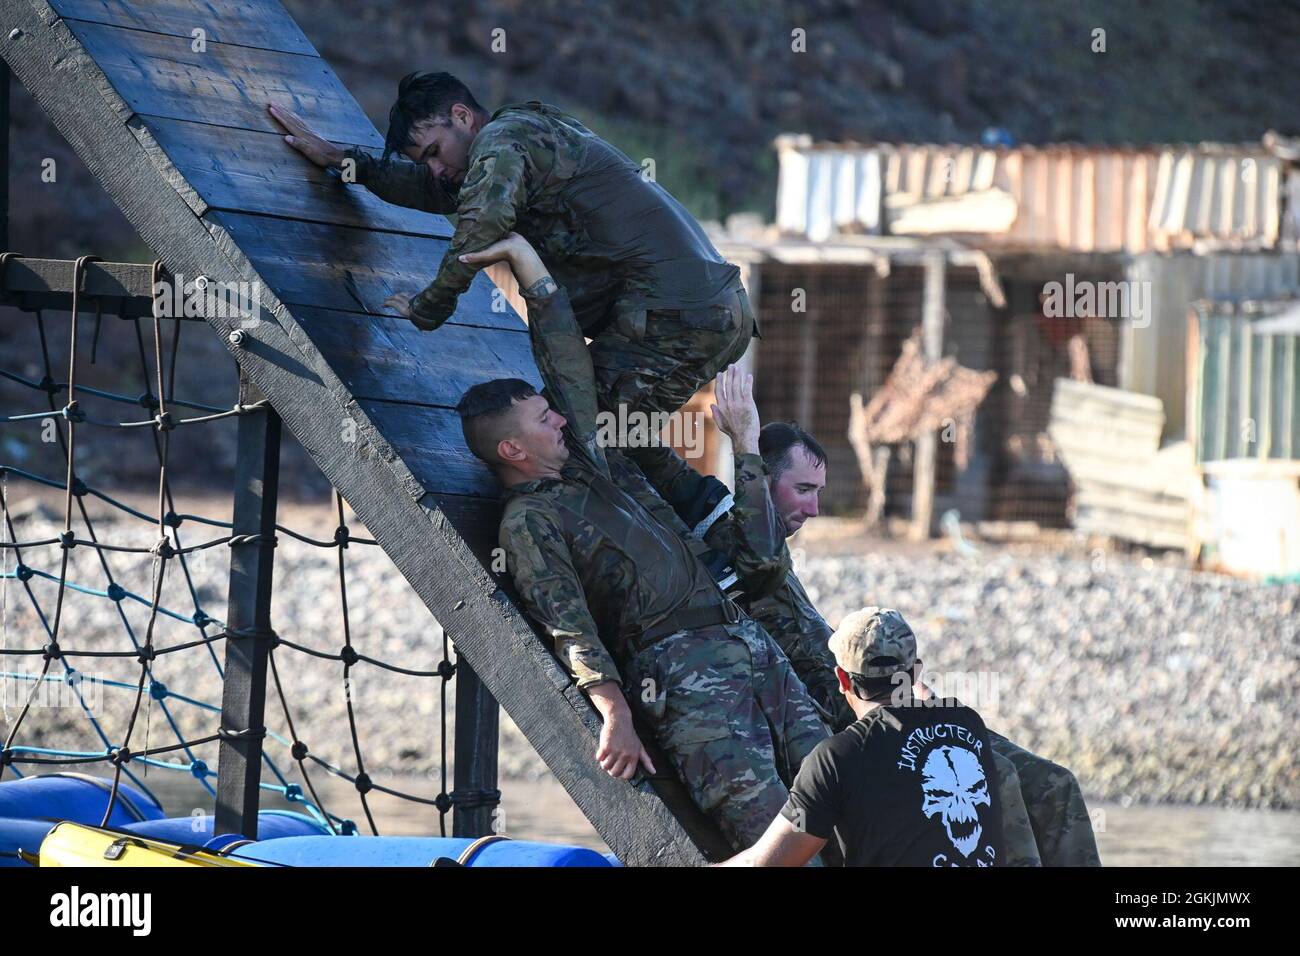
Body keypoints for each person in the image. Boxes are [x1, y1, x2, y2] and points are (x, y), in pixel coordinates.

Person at [449, 233, 827, 850]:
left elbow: (568, 368)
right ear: (513, 450)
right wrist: (614, 710)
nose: (562, 419)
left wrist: (534, 276)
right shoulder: (530, 522)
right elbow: (564, 619)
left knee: (841, 804)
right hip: (686, 675)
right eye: (545, 421)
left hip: (747, 643)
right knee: (773, 841)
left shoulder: (595, 465)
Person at [637, 421, 1098, 865]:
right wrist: (743, 438)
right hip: (841, 716)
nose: (815, 509)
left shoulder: (772, 542)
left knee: (1055, 784)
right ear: (761, 479)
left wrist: (914, 694)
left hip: (885, 695)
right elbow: (650, 459)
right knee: (1001, 776)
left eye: (818, 492)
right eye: (803, 490)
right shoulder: (727, 537)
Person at [268, 71, 754, 419]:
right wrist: (346, 161)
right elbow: (436, 189)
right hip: (713, 311)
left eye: (435, 151)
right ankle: (711, 530)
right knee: (621, 442)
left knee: (571, 432)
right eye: (426, 160)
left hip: (671, 313)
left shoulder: (504, 139)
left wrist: (429, 306)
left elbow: (482, 222)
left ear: (462, 115)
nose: (435, 168)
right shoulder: (528, 137)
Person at [719, 607, 1006, 867]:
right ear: (916, 672)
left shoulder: (836, 758)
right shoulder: (968, 723)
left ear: (842, 679)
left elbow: (764, 863)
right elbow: (927, 702)